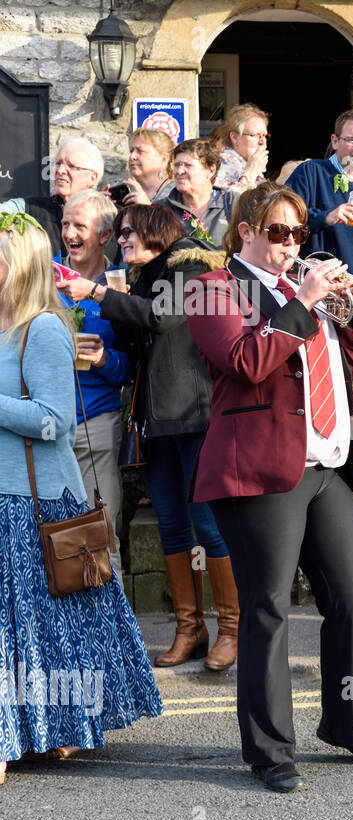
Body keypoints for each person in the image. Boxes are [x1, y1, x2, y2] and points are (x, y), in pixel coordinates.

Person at [186, 181, 353, 794]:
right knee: (269, 608)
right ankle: (270, 749)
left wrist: (350, 311)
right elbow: (247, 362)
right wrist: (301, 301)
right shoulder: (212, 289)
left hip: (326, 463)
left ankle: (345, 726)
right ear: (245, 230)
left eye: (298, 235)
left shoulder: (304, 295)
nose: (290, 245)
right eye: (278, 233)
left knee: (350, 598)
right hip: (260, 469)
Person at [0, 211, 161, 784]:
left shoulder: (43, 327)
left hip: (38, 501)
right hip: (6, 498)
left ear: (18, 265)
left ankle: (51, 730)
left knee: (46, 626)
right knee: (20, 628)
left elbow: (54, 421)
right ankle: (27, 733)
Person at [70, 204, 240, 672]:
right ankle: (190, 628)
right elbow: (138, 338)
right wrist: (104, 344)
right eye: (120, 234)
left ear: (154, 231)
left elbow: (162, 318)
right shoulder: (141, 275)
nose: (121, 241)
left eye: (127, 233)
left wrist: (99, 293)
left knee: (206, 526)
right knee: (170, 524)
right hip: (155, 420)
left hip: (193, 415)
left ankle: (230, 628)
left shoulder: (189, 260)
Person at [56, 190, 133, 576]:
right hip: (44, 424)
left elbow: (130, 369)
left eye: (79, 226)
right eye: (66, 223)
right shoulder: (41, 275)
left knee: (101, 536)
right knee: (45, 536)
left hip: (96, 424)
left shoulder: (119, 284)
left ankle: (111, 632)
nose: (69, 232)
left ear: (104, 235)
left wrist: (103, 358)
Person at [285, 109, 353, 290]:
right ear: (335, 141)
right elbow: (285, 224)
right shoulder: (310, 172)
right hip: (319, 292)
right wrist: (325, 217)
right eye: (351, 140)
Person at [0, 138, 104, 257]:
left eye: (71, 165)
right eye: (58, 163)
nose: (60, 170)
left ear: (92, 177)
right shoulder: (27, 208)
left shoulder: (111, 217)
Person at [155, 139, 233, 250]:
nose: (179, 171)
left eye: (188, 165)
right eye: (177, 165)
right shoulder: (160, 210)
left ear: (211, 171)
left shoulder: (232, 204)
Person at [212, 103, 270, 195]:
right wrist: (250, 173)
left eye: (264, 135)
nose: (262, 141)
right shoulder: (222, 165)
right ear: (234, 137)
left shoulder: (249, 164)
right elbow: (227, 205)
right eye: (254, 135)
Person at [118, 128, 174, 206]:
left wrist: (147, 207)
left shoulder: (177, 194)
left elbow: (190, 218)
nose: (132, 156)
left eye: (140, 151)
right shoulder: (129, 195)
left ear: (163, 159)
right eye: (131, 151)